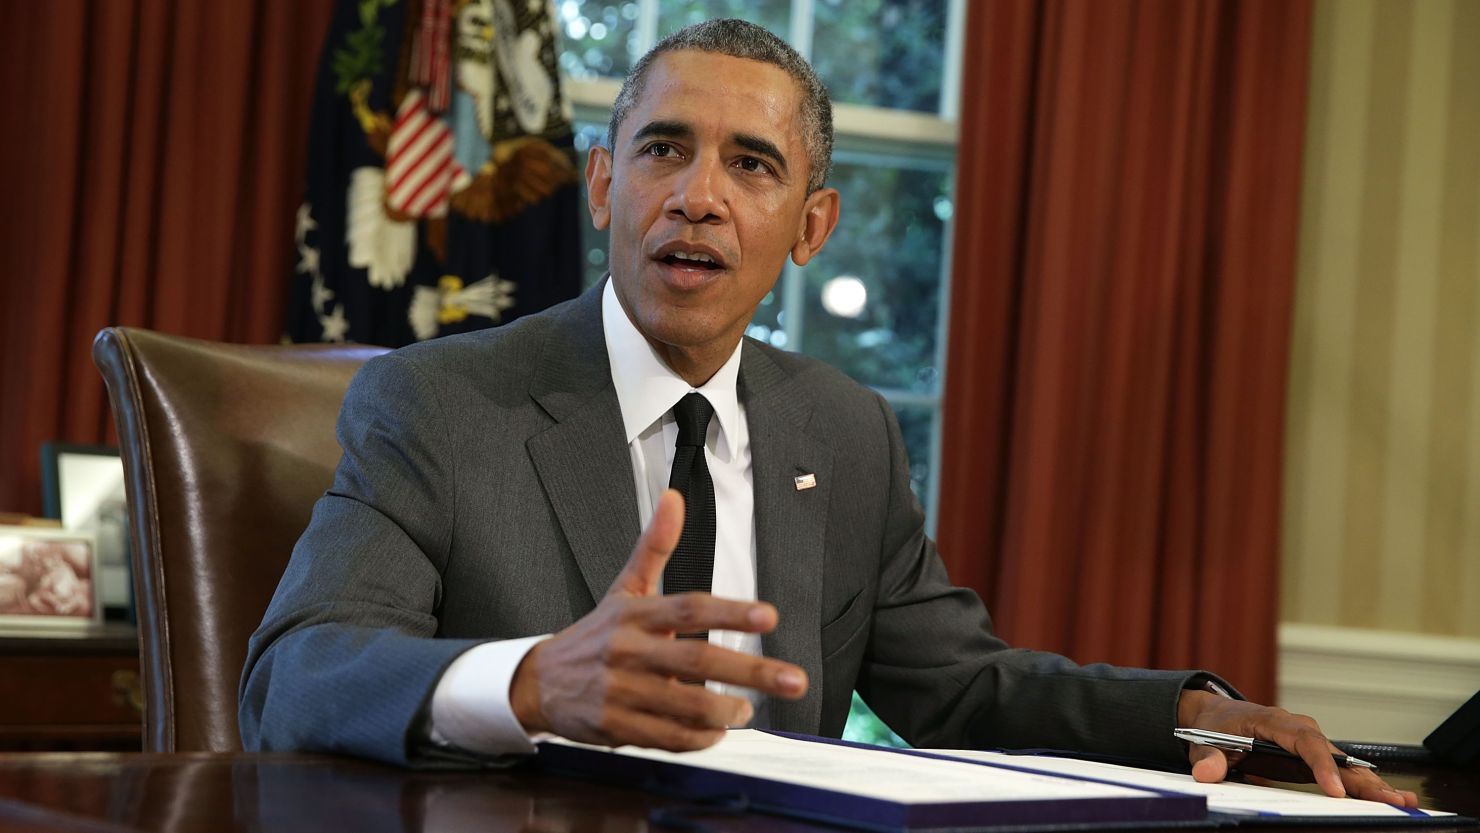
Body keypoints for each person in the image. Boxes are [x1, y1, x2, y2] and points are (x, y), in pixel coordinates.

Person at [240, 19, 1415, 807]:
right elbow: (295, 673)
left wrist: (1192, 712)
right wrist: (530, 681)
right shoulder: (440, 400)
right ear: (604, 185)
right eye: (662, 149)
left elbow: (959, 688)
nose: (695, 197)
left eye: (750, 165)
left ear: (810, 227)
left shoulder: (840, 427)